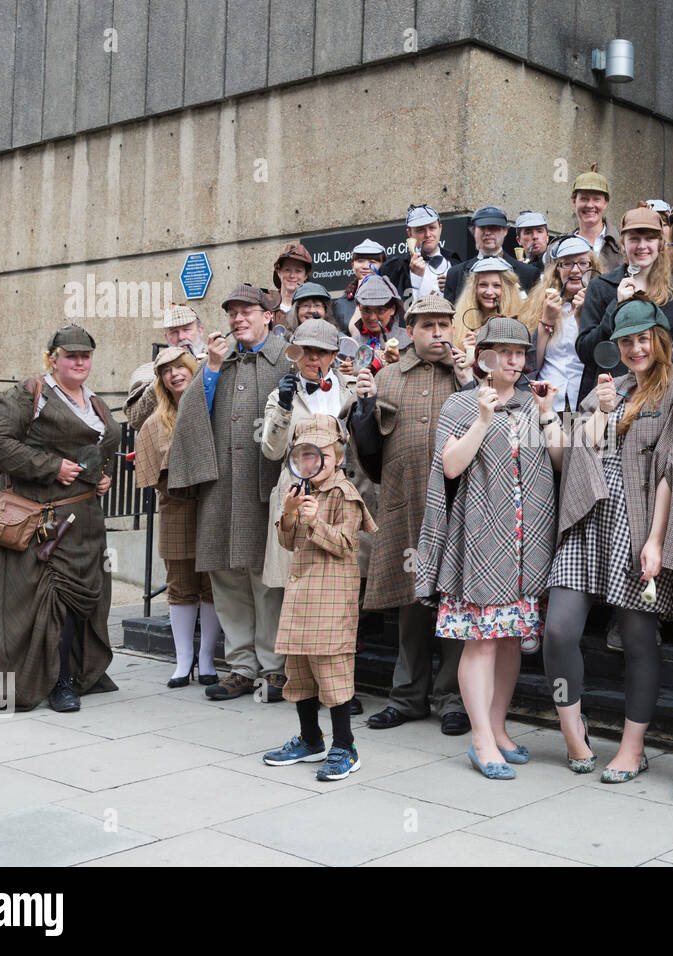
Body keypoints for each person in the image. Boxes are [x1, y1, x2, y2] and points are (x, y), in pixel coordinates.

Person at [546, 300, 673, 780]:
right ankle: (574, 733)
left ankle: (633, 747)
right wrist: (600, 414)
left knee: (638, 636)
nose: (635, 348)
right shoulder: (606, 389)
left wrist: (655, 541)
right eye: (626, 341)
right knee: (558, 629)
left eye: (643, 339)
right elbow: (568, 456)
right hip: (587, 519)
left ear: (659, 339)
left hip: (637, 525)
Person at [416, 317, 564, 779]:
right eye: (505, 353)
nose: (515, 362)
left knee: (509, 642)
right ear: (484, 358)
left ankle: (498, 729)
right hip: (480, 538)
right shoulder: (460, 405)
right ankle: (480, 738)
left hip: (527, 541)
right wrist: (483, 419)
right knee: (479, 643)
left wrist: (547, 413)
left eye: (521, 354)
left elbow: (561, 462)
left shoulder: (531, 403)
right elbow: (451, 468)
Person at [0, 325, 119, 713]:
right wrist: (51, 466)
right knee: (34, 601)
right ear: (53, 358)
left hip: (83, 516)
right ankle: (56, 685)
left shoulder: (96, 403)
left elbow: (96, 450)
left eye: (85, 356)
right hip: (34, 513)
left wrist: (102, 477)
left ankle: (70, 675)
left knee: (77, 600)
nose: (79, 362)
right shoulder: (29, 394)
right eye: (70, 355)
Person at [350, 294, 475, 735]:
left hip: (460, 508)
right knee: (411, 606)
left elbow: (491, 430)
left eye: (445, 325)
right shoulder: (387, 378)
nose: (439, 333)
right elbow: (368, 451)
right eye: (428, 326)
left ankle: (454, 700)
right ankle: (406, 698)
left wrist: (468, 383)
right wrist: (363, 407)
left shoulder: (468, 374)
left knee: (456, 605)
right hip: (406, 508)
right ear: (411, 329)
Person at [167, 284, 289, 702]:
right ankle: (240, 667)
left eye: (246, 312)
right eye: (232, 313)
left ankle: (273, 669)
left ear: (267, 315)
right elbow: (190, 418)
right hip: (221, 488)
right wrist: (212, 370)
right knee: (226, 576)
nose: (238, 319)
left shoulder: (285, 360)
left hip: (267, 487)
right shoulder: (218, 360)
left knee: (267, 577)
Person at [262, 414, 376, 781]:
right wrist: (292, 516)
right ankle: (311, 738)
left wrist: (314, 521)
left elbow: (346, 545)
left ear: (337, 457)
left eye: (318, 455)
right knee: (299, 670)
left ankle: (345, 745)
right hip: (301, 594)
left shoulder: (346, 495)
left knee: (332, 671)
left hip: (331, 596)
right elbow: (288, 542)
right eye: (303, 456)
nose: (310, 463)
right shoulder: (302, 490)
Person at [132, 346, 221, 687]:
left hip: (212, 502)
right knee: (180, 584)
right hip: (175, 506)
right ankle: (183, 661)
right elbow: (152, 470)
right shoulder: (155, 421)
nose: (173, 374)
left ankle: (207, 658)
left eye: (178, 366)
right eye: (165, 371)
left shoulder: (214, 404)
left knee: (212, 584)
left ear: (191, 367)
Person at [576, 204, 673, 401]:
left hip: (661, 397)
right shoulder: (601, 286)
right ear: (622, 243)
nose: (642, 246)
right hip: (610, 396)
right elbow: (586, 352)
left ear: (661, 244)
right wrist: (615, 306)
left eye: (650, 238)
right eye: (634, 239)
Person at [524, 235, 599, 411]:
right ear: (557, 269)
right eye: (567, 263)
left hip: (588, 399)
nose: (575, 270)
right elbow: (533, 364)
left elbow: (596, 360)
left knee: (585, 439)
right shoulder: (542, 304)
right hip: (549, 399)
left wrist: (583, 318)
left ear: (592, 268)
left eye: (582, 263)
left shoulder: (600, 305)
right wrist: (547, 320)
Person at [124, 303, 207, 430]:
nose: (181, 337)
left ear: (200, 330)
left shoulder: (219, 361)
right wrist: (162, 379)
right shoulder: (147, 372)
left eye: (187, 329)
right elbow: (135, 420)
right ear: (166, 337)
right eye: (174, 332)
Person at [443, 206, 541, 303]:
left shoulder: (528, 273)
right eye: (482, 228)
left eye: (494, 227)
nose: (488, 232)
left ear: (505, 231)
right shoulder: (455, 274)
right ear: (473, 231)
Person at [380, 204, 461, 301]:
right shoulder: (393, 269)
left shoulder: (456, 263)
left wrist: (454, 290)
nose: (427, 234)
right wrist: (415, 279)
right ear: (410, 233)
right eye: (420, 230)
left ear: (440, 228)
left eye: (432, 228)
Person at [340, 273, 411, 377]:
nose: (372, 317)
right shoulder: (348, 345)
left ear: (392, 309)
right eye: (366, 310)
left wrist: (398, 364)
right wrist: (343, 376)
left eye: (380, 310)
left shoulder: (410, 342)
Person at [451, 256, 525, 347]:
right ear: (474, 288)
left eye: (496, 285)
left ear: (507, 290)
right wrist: (464, 351)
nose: (489, 292)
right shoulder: (459, 324)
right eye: (483, 285)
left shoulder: (521, 323)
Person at [569, 165, 623, 272]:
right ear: (574, 202)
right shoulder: (558, 247)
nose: (590, 205)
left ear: (605, 203)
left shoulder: (623, 245)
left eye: (596, 200)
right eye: (584, 199)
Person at [332, 238, 386, 331]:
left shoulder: (394, 297)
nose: (365, 266)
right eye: (360, 261)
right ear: (353, 265)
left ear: (383, 265)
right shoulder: (341, 304)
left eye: (372, 262)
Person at [272, 242, 314, 324]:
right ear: (278, 272)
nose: (292, 275)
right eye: (287, 270)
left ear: (306, 275)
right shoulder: (266, 304)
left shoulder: (314, 308)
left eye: (298, 271)